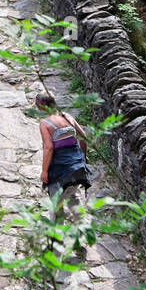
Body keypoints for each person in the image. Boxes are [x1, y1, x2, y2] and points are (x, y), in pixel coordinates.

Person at [36, 91, 90, 220]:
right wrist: (83, 156)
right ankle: (82, 226)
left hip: (60, 170)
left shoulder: (45, 124)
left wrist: (44, 171)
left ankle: (57, 236)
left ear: (41, 106)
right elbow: (83, 137)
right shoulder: (67, 117)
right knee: (72, 194)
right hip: (78, 167)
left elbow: (48, 147)